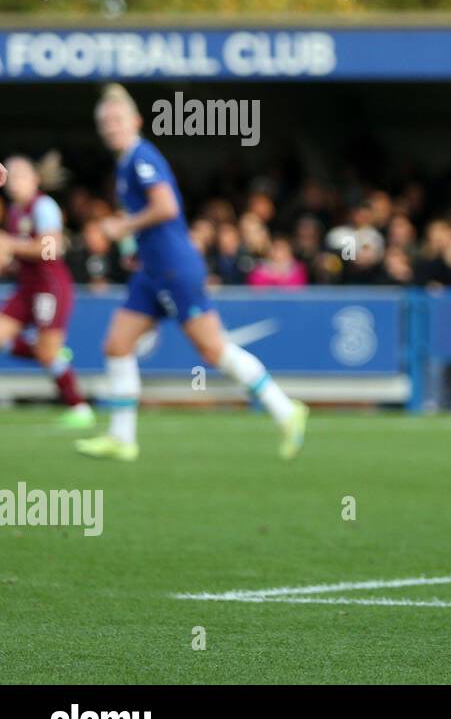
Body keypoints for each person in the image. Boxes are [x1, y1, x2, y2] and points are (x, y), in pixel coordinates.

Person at [74, 84, 309, 462]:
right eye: (104, 122)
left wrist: (122, 228)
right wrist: (137, 248)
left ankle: (285, 408)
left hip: (174, 269)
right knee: (117, 345)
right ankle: (122, 437)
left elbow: (165, 207)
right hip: (152, 270)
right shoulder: (126, 163)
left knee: (213, 349)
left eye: (116, 120)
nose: (110, 127)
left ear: (135, 121)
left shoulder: (141, 157)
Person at [0, 155, 94, 427]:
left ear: (35, 180)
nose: (14, 183)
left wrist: (10, 245)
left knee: (47, 353)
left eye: (21, 177)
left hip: (49, 288)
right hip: (26, 287)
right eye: (12, 178)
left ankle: (79, 408)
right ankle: (47, 351)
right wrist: (10, 263)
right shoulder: (15, 212)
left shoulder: (44, 206)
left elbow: (50, 249)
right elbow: (19, 252)